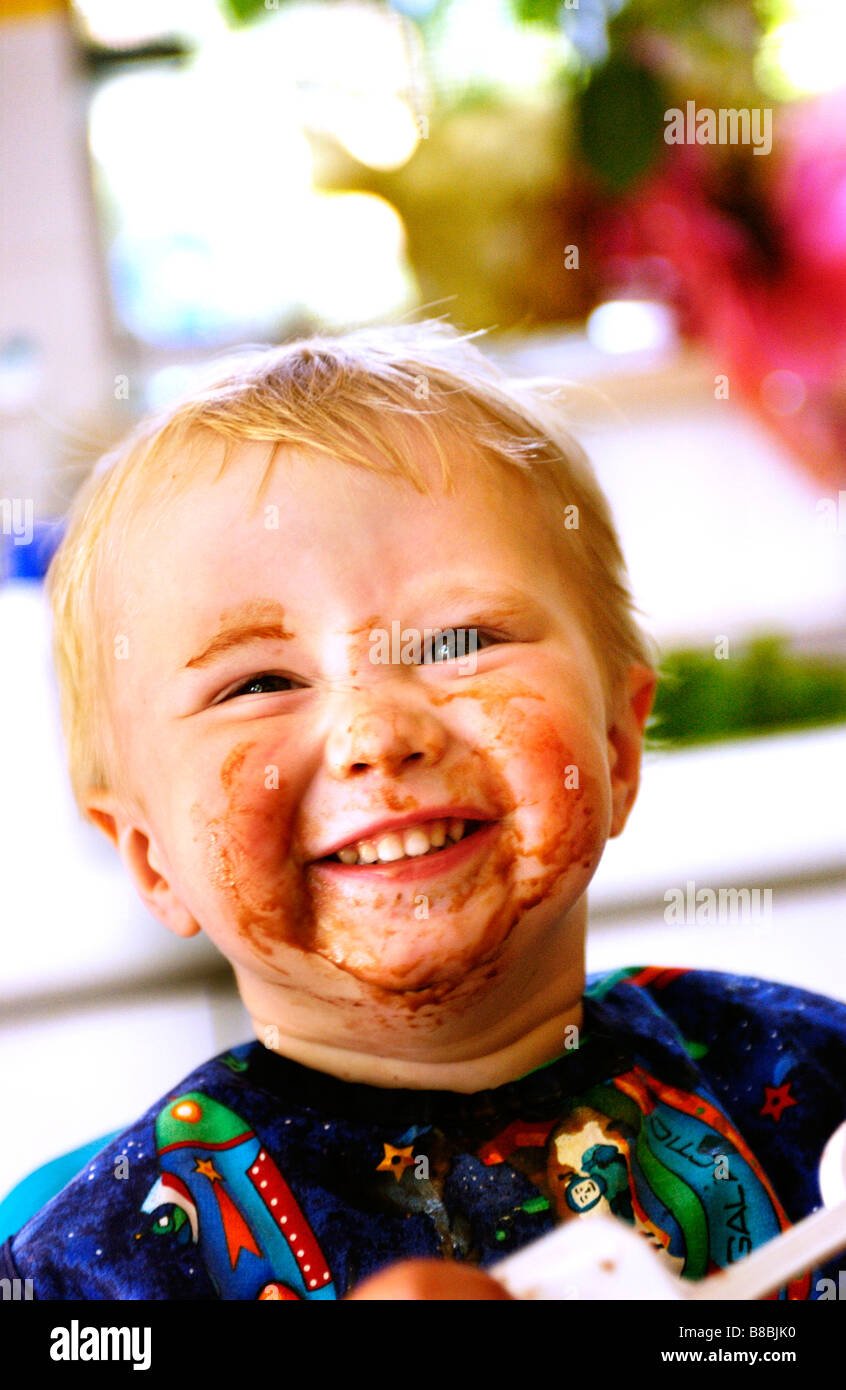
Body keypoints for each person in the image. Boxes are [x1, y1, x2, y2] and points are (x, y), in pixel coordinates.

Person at [3, 322, 844, 1300]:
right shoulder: (100, 1272)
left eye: (459, 641)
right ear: (150, 857)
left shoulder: (803, 1076)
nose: (376, 731)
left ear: (616, 742)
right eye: (260, 681)